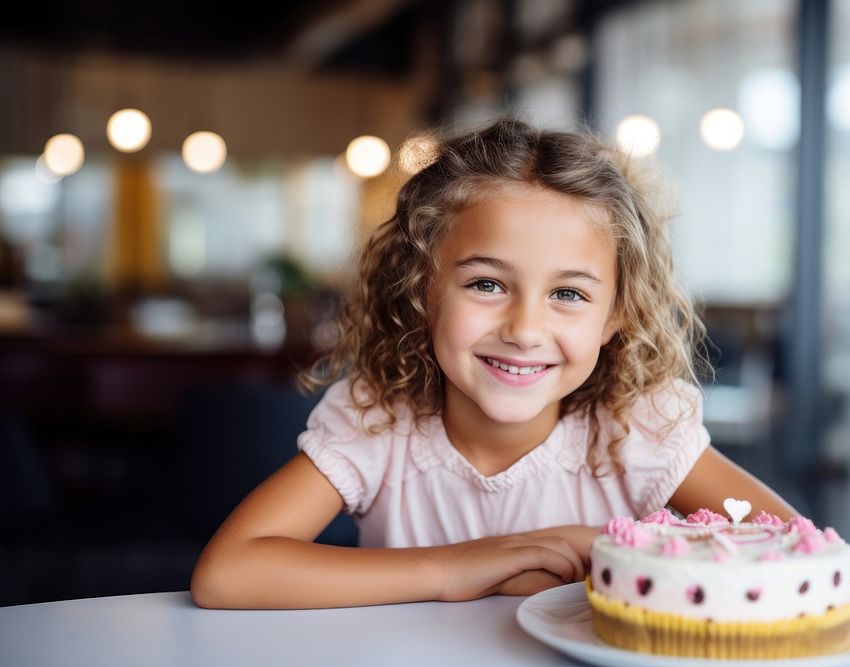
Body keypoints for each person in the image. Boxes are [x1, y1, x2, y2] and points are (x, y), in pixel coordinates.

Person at [190, 118, 795, 609]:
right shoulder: (379, 421)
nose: (525, 330)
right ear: (423, 289)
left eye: (568, 295)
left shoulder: (634, 431)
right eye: (486, 284)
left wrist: (631, 551)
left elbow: (794, 552)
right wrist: (463, 565)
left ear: (616, 317)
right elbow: (228, 573)